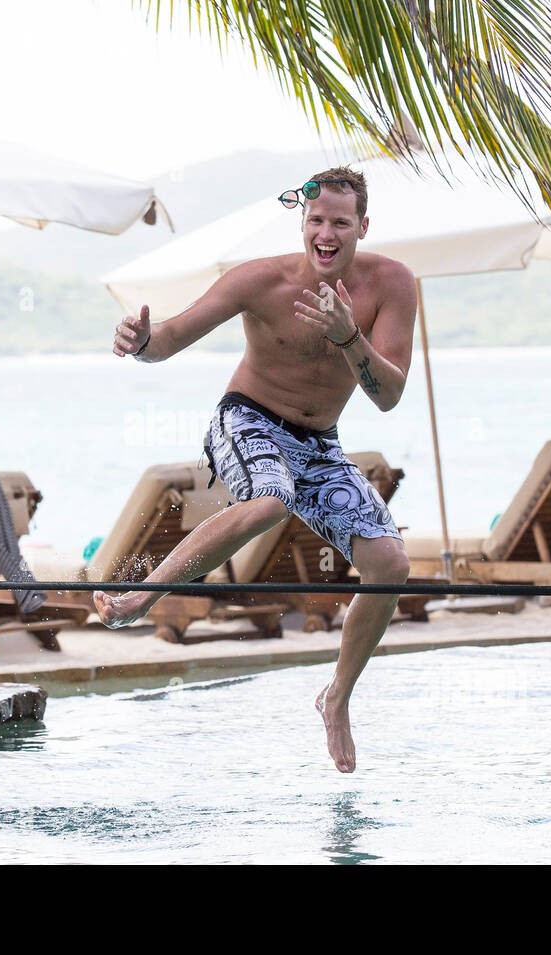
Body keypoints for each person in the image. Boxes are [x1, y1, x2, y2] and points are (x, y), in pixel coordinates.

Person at [96, 167, 418, 773]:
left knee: (390, 563)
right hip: (247, 420)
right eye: (316, 221)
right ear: (303, 224)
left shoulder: (392, 283)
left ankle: (337, 695)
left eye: (340, 223)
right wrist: (142, 340)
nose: (326, 233)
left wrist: (351, 338)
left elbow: (389, 395)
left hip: (319, 441)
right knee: (270, 500)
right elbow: (169, 338)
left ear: (362, 227)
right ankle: (146, 593)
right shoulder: (258, 280)